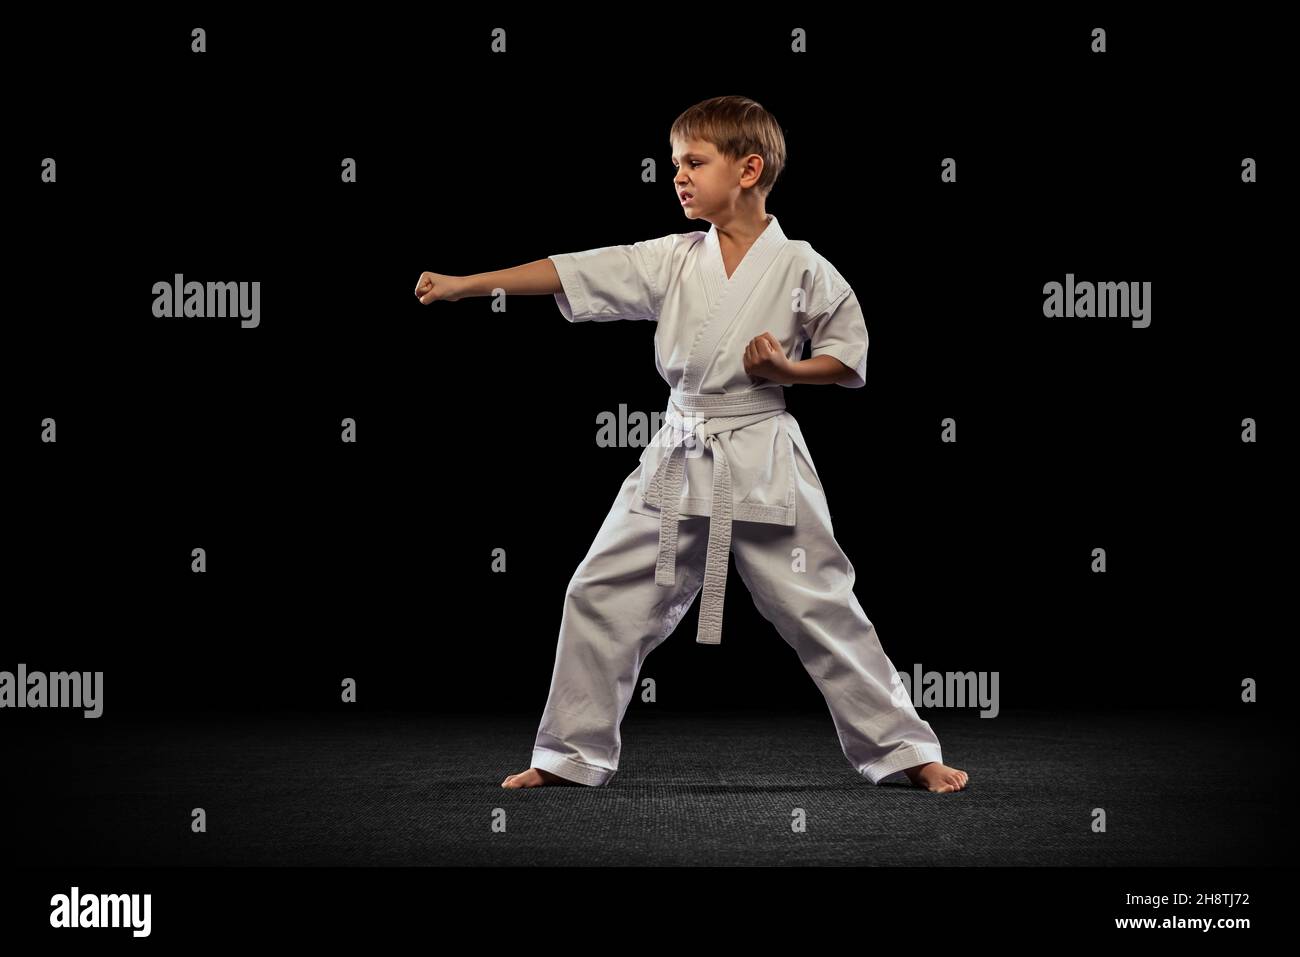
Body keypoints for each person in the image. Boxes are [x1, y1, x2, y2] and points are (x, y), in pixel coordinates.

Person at [415, 95, 969, 794]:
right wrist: (471, 284)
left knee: (820, 604)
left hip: (762, 450)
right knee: (598, 590)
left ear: (749, 168)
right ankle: (566, 754)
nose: (675, 175)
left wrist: (785, 371)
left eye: (693, 162)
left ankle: (905, 749)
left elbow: (849, 357)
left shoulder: (801, 265)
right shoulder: (673, 259)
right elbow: (576, 270)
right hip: (680, 449)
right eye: (675, 162)